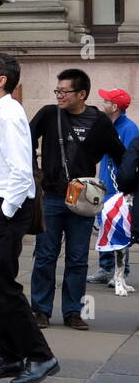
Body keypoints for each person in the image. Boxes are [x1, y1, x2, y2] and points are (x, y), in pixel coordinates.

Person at [0, 53, 59, 383]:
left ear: (1, 80)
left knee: (3, 285)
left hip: (6, 206)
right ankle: (10, 355)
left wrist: (5, 214)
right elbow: (1, 157)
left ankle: (41, 356)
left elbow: (22, 172)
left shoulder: (9, 116)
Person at [28, 68, 125, 330]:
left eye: (64, 91)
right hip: (52, 198)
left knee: (78, 258)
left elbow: (119, 153)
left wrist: (128, 186)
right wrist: (33, 169)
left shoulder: (100, 121)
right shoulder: (50, 114)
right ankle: (40, 310)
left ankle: (73, 312)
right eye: (57, 90)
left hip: (83, 201)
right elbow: (25, 138)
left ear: (82, 94)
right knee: (46, 256)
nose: (59, 95)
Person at [92, 87, 137, 287]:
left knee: (119, 228)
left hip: (119, 187)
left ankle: (122, 272)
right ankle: (105, 268)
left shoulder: (130, 129)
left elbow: (129, 161)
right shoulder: (105, 125)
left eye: (106, 101)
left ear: (115, 106)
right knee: (104, 225)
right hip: (104, 184)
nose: (103, 104)